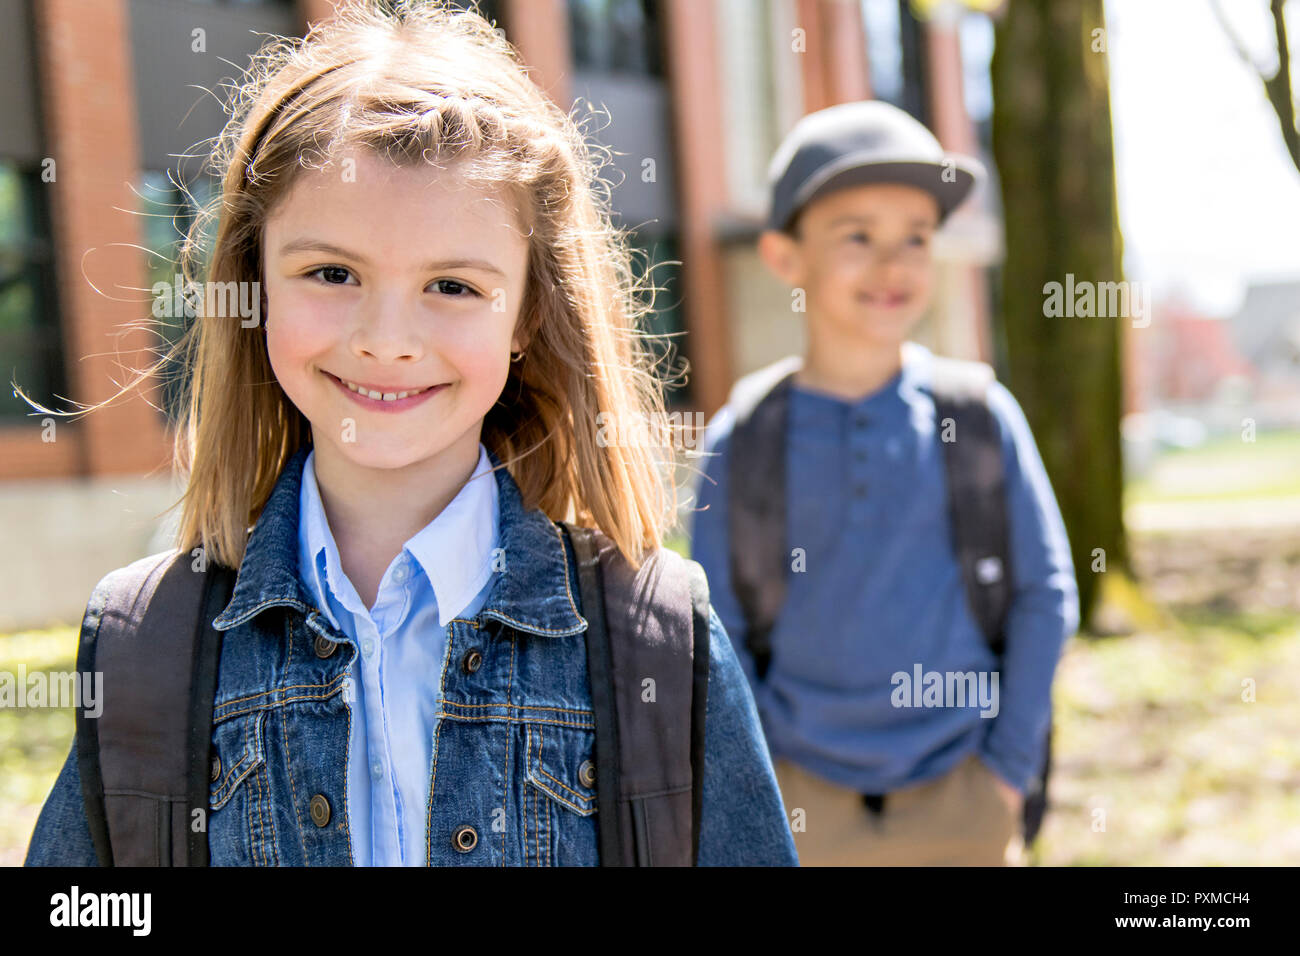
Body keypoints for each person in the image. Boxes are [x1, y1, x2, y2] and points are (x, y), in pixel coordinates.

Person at [24, 0, 795, 867]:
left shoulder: (656, 636)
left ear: (528, 313)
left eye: (453, 286)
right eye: (332, 272)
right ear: (255, 285)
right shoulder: (144, 643)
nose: (386, 338)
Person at [689, 100, 1079, 866]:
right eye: (857, 236)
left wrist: (1005, 774)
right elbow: (714, 637)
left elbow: (1045, 594)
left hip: (963, 795)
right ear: (783, 256)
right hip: (801, 807)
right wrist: (764, 779)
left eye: (916, 238)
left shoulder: (978, 417)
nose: (892, 265)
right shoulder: (745, 437)